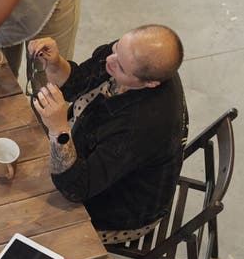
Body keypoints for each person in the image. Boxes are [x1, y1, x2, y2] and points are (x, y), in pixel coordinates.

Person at [28, 25, 188, 242]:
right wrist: (56, 63)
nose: (109, 61)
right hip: (97, 158)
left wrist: (59, 130)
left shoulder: (141, 126)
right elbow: (79, 83)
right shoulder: (131, 54)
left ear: (151, 83)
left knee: (30, 223)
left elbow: (76, 189)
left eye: (120, 67)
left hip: (119, 208)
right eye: (115, 48)